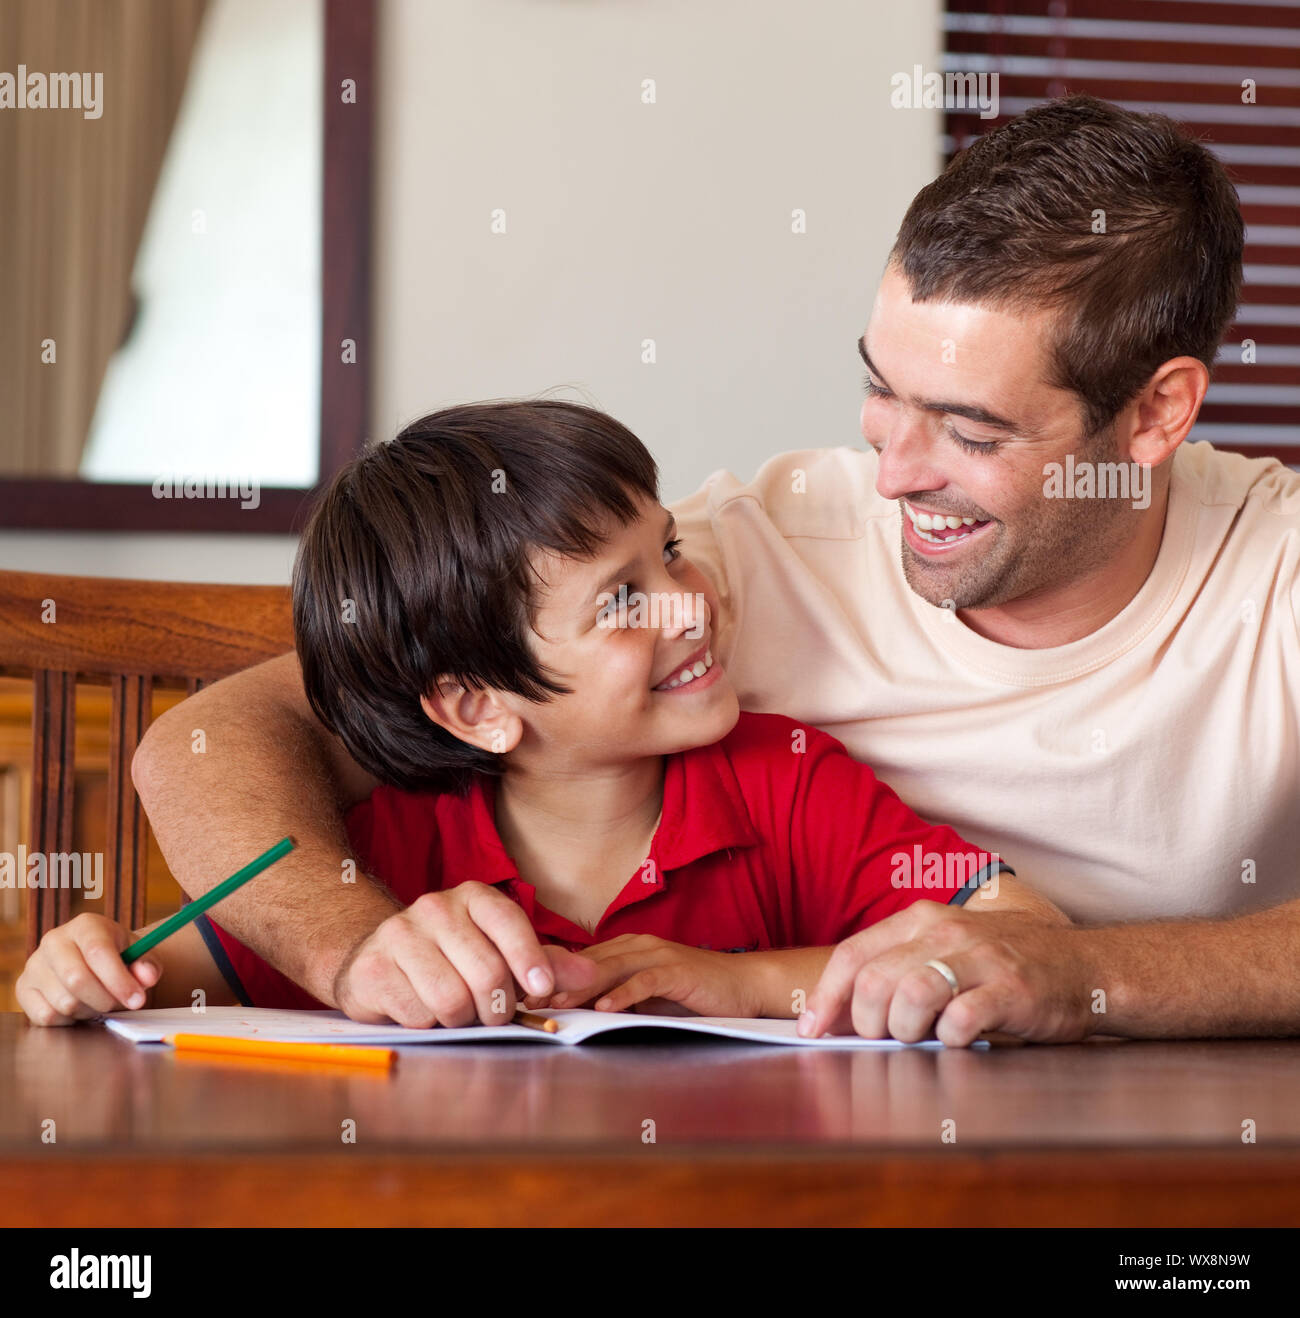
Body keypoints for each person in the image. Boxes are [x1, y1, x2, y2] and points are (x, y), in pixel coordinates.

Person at [120, 94, 1299, 1045]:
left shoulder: (1275, 566)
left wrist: (1082, 977)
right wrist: (350, 947)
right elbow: (207, 741)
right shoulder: (738, 563)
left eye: (973, 434)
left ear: (1155, 415)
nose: (893, 475)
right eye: (882, 392)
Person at [17, 401, 1065, 1028]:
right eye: (621, 601)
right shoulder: (383, 850)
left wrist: (740, 983)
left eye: (668, 547)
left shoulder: (788, 777)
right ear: (475, 706)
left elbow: (1024, 933)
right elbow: (166, 980)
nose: (689, 596)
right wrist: (90, 967)